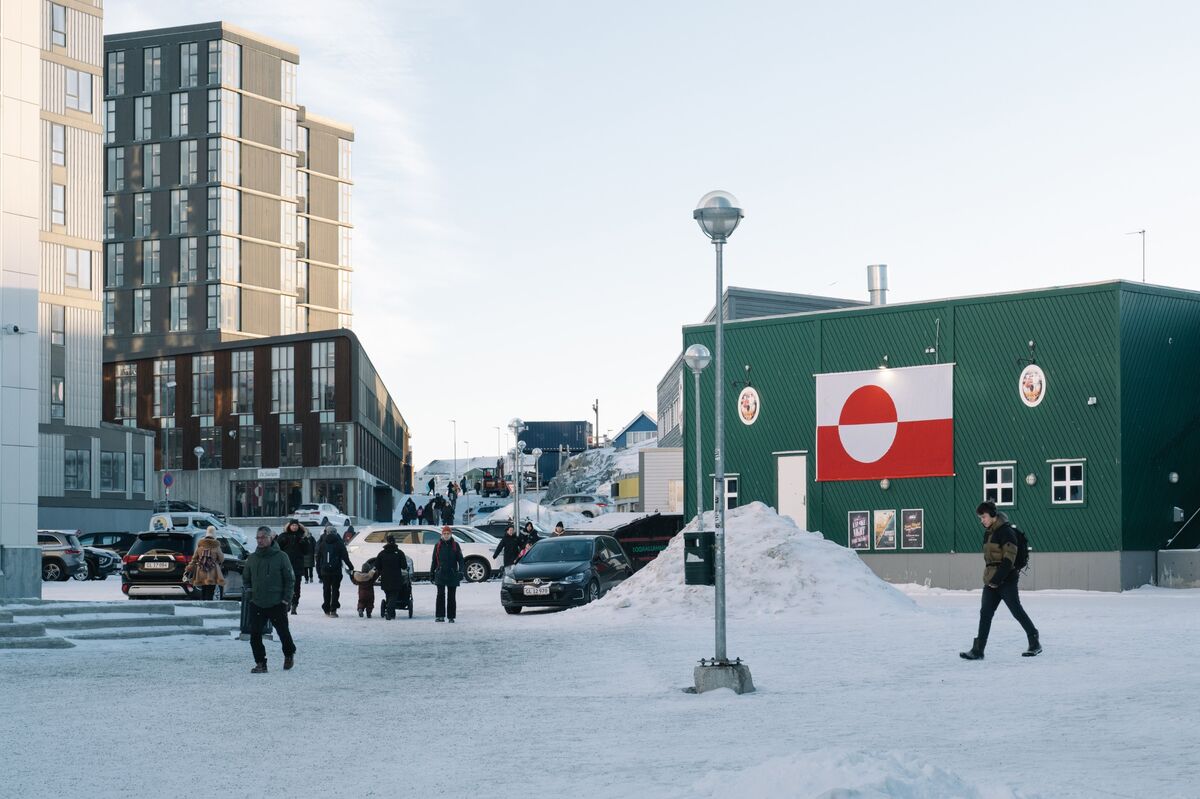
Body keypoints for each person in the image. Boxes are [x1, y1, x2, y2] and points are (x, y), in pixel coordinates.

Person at [961, 501, 1041, 660]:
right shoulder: (988, 532)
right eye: (980, 517)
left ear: (992, 515)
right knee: (985, 613)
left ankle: (1034, 641)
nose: (981, 520)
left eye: (983, 517)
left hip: (1007, 580)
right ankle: (978, 650)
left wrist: (997, 579)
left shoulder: (1006, 532)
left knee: (1016, 610)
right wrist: (991, 579)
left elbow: (1008, 560)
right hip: (991, 580)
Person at [243, 526, 296, 673]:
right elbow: (246, 579)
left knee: (283, 633)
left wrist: (286, 599)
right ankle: (260, 663)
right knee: (255, 636)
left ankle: (289, 654)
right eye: (258, 538)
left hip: (277, 602)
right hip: (257, 602)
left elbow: (290, 579)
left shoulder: (281, 557)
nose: (260, 540)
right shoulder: (252, 558)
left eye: (263, 537)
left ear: (270, 538)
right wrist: (250, 594)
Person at [316, 524, 354, 617]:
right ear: (336, 533)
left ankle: (326, 609)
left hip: (325, 571)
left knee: (326, 590)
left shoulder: (322, 544)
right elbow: (345, 557)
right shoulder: (340, 543)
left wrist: (319, 572)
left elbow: (318, 559)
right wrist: (351, 567)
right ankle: (333, 610)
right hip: (336, 571)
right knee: (335, 589)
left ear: (326, 532)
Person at [430, 525, 464, 623]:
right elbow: (434, 561)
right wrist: (431, 573)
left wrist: (461, 572)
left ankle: (451, 617)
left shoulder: (455, 545)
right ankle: (439, 616)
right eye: (444, 534)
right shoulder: (438, 545)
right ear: (442, 534)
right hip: (440, 573)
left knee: (451, 596)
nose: (446, 535)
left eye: (447, 534)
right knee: (440, 595)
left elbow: (461, 560)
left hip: (452, 574)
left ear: (451, 534)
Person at [275, 519, 309, 614]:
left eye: (296, 525)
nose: (294, 527)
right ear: (289, 526)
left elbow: (306, 551)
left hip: (298, 565)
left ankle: (295, 605)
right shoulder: (283, 536)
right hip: (286, 565)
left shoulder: (302, 536)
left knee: (296, 587)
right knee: (285, 585)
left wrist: (304, 543)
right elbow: (277, 549)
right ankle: (287, 603)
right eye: (293, 525)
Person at [375, 533, 409, 620]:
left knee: (388, 595)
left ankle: (392, 614)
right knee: (393, 596)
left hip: (385, 578)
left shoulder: (381, 553)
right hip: (396, 578)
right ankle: (390, 613)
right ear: (394, 542)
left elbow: (377, 566)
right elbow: (404, 566)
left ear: (387, 542)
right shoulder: (399, 553)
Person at [185, 527, 225, 600]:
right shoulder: (216, 546)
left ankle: (203, 606)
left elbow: (194, 559)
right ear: (214, 535)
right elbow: (221, 559)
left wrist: (189, 569)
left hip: (201, 572)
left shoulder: (200, 545)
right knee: (210, 591)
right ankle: (209, 607)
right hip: (212, 572)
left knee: (203, 591)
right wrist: (216, 562)